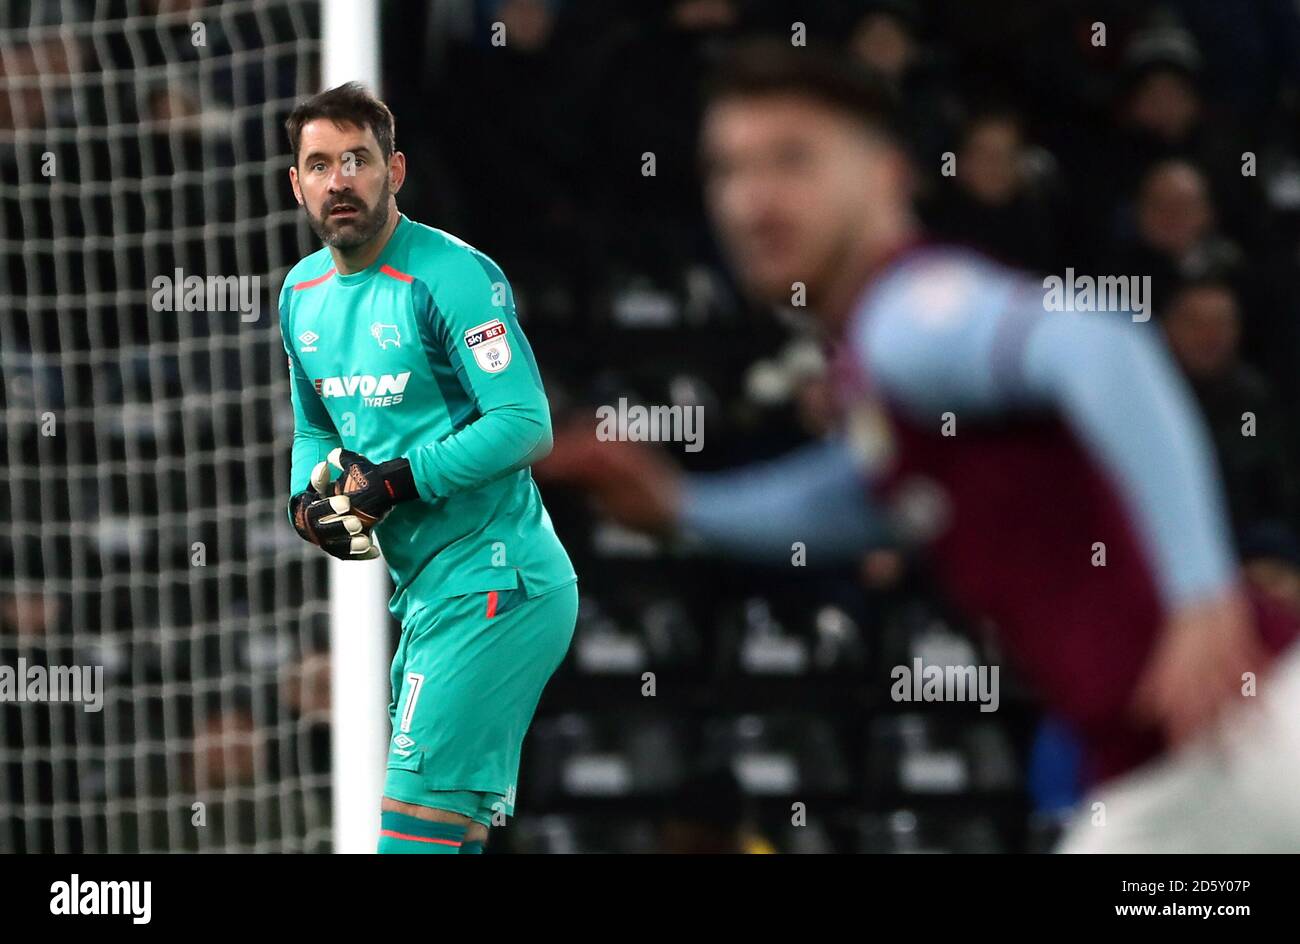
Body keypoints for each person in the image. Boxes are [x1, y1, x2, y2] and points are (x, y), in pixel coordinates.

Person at [537, 42, 1300, 852]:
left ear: (886, 178)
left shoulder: (909, 317)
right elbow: (859, 496)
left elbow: (1106, 350)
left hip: (1248, 739)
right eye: (728, 169)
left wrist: (1200, 593)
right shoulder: (883, 367)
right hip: (1179, 772)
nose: (753, 201)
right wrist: (684, 504)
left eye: (793, 160)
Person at [279, 83, 578, 854]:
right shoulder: (300, 295)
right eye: (320, 164)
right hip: (428, 597)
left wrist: (399, 480)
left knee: (408, 843)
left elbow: (526, 424)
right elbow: (315, 428)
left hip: (496, 583)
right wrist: (304, 503)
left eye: (358, 160)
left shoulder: (452, 276)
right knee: (447, 841)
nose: (339, 180)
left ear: (396, 171)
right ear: (297, 183)